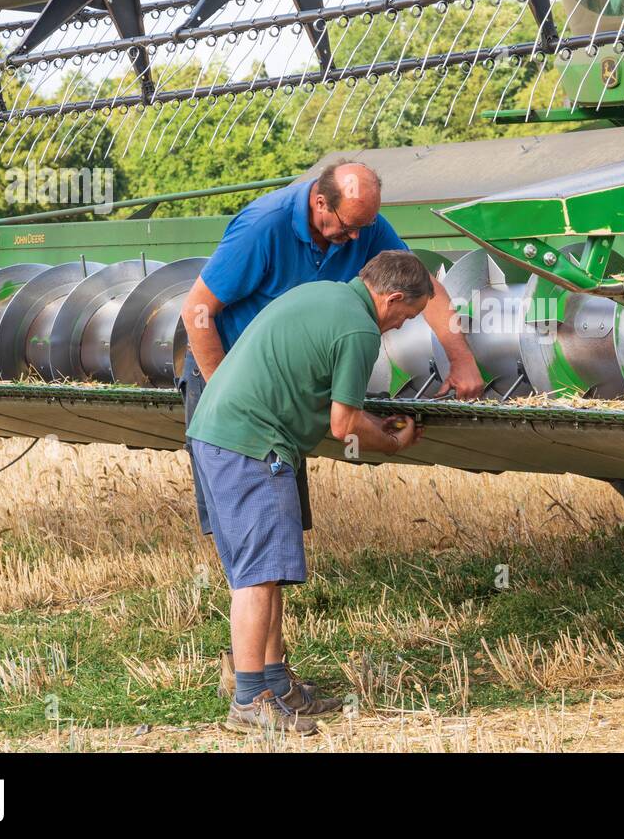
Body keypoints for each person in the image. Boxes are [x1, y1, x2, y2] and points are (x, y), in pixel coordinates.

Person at [179, 160, 482, 698]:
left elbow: (425, 286)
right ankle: (250, 688)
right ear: (321, 204)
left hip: (271, 397)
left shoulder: (360, 246)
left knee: (273, 546)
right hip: (232, 379)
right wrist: (241, 396)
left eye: (366, 230)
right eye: (349, 227)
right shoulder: (263, 226)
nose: (358, 238)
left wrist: (461, 359)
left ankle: (273, 678)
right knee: (254, 558)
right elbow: (197, 311)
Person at [187, 251, 431, 733]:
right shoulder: (360, 332)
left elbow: (318, 389)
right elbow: (343, 426)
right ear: (393, 297)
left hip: (217, 434)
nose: (402, 327)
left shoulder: (323, 295)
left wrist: (372, 421)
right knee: (257, 577)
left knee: (267, 572)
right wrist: (394, 442)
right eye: (408, 316)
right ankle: (249, 699)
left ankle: (277, 686)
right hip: (253, 446)